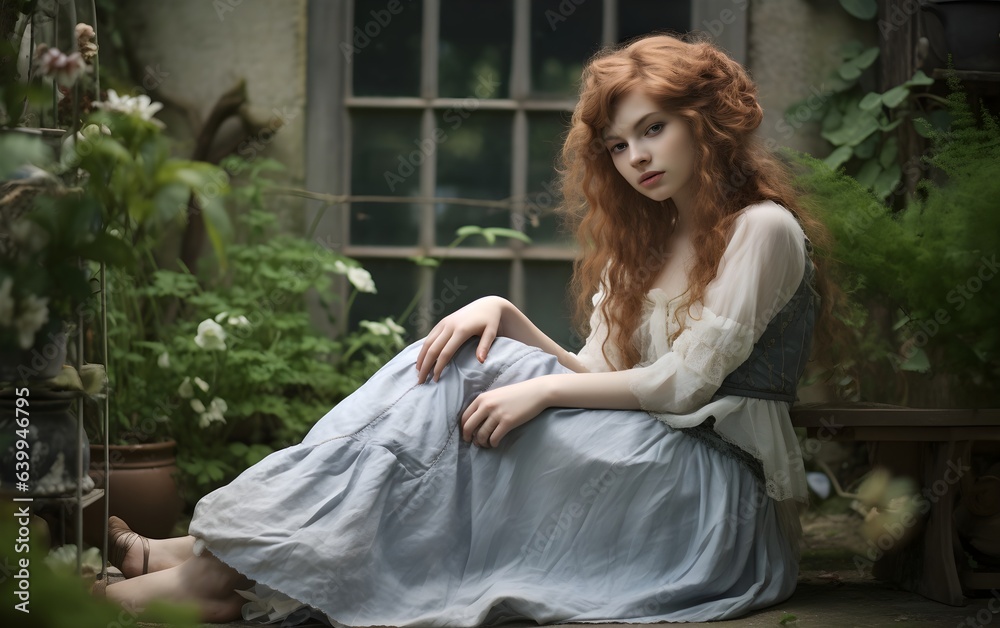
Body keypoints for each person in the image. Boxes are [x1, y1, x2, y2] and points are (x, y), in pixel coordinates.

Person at [99, 32, 832, 625]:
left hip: (714, 501)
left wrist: (538, 391)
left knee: (480, 380)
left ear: (704, 123)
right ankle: (215, 560)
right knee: (458, 359)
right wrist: (509, 319)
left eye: (653, 129)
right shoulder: (645, 246)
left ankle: (211, 562)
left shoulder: (761, 230)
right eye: (617, 143)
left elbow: (680, 388)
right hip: (640, 464)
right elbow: (596, 374)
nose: (636, 156)